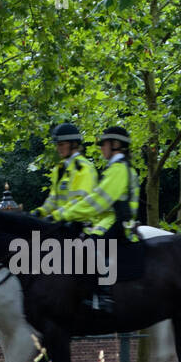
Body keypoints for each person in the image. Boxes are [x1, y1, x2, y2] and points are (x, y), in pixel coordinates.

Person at [55, 125, 142, 310]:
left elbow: (96, 202)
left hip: (119, 223)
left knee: (90, 248)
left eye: (104, 144)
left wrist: (64, 214)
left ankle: (105, 295)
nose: (101, 148)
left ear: (116, 145)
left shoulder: (118, 170)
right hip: (109, 221)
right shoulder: (115, 168)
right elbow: (93, 199)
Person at [33, 122, 99, 223]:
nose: (57, 148)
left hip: (80, 225)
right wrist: (40, 212)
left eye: (61, 144)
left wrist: (55, 216)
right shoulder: (59, 168)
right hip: (62, 222)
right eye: (57, 145)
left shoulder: (83, 167)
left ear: (74, 144)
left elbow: (79, 200)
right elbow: (53, 199)